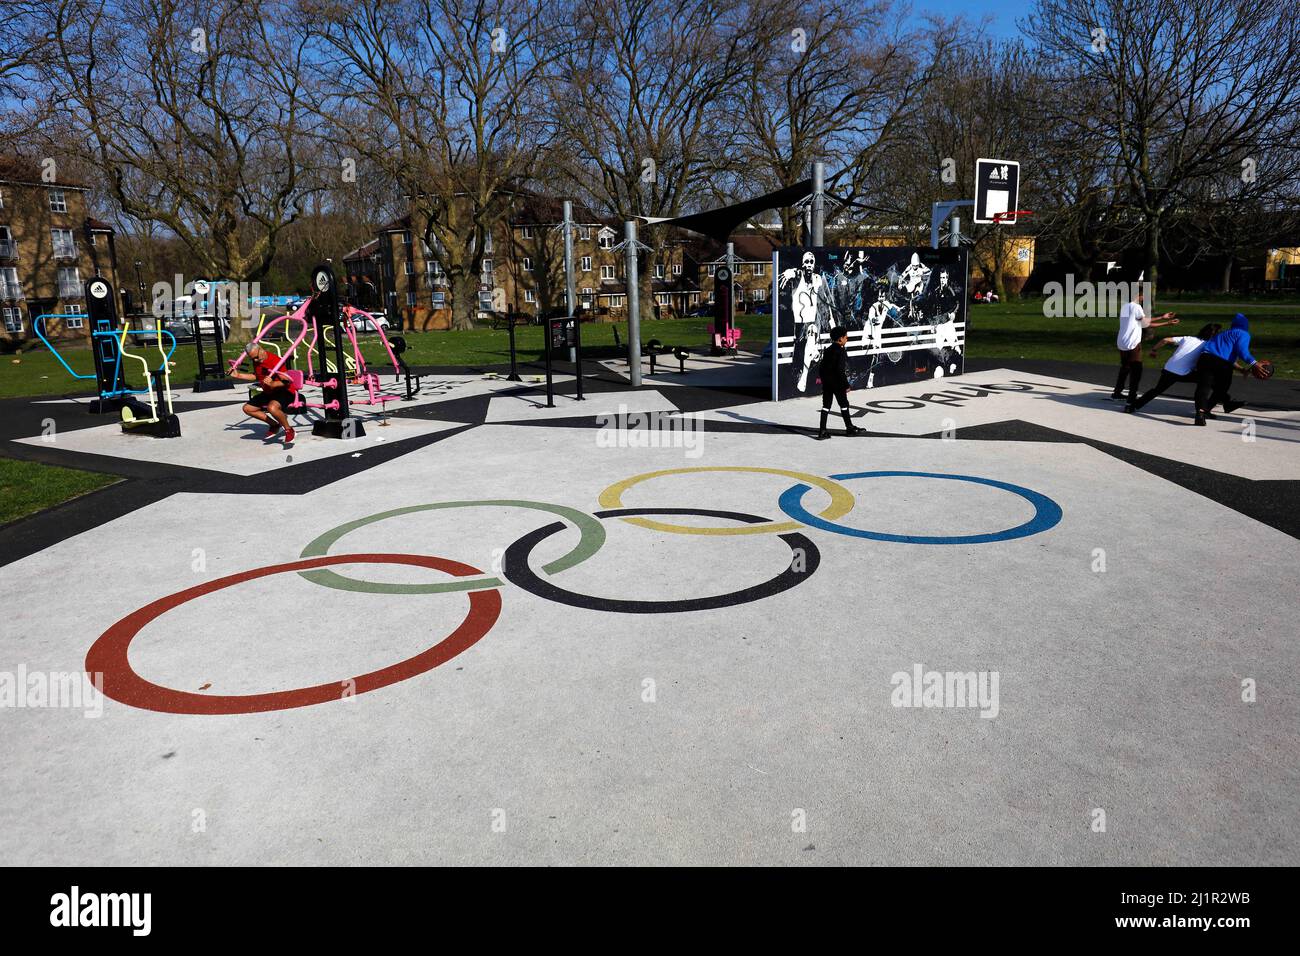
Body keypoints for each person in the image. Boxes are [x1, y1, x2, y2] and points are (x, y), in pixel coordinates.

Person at [1112, 286, 1178, 411]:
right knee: (1136, 370)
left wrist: (1164, 320)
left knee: (1125, 367)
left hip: (1121, 341)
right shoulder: (1136, 307)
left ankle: (1117, 393)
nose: (1144, 298)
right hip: (1132, 343)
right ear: (1139, 295)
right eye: (1143, 296)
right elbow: (1146, 322)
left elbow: (1143, 322)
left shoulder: (1125, 306)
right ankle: (1131, 399)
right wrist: (1165, 320)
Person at [1192, 313, 1262, 426]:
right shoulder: (1243, 334)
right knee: (1222, 388)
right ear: (1246, 325)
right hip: (1222, 364)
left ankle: (1200, 413)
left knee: (1204, 387)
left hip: (1204, 359)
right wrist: (1254, 363)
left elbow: (1221, 353)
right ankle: (1208, 410)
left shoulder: (1223, 334)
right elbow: (1242, 351)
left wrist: (1241, 369)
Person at [778, 251, 834, 392]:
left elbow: (825, 301)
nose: (809, 265)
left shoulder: (817, 279)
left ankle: (804, 377)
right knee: (800, 352)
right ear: (803, 264)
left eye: (811, 262)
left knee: (812, 334)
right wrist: (790, 272)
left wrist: (831, 319)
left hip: (813, 321)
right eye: (807, 262)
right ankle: (812, 355)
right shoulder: (799, 276)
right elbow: (793, 273)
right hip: (799, 323)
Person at [1132, 323, 1220, 412]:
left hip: (1168, 369)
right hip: (1183, 373)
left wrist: (1154, 350)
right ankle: (1205, 408)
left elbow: (1165, 340)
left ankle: (1133, 406)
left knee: (1157, 390)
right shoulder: (1208, 345)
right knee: (1208, 381)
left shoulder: (1187, 338)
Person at [232, 343, 297, 443]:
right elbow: (257, 376)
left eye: (256, 357)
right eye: (252, 359)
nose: (255, 360)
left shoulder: (275, 361)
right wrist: (239, 375)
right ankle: (274, 425)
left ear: (261, 349)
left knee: (272, 407)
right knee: (247, 408)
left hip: (285, 391)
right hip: (269, 392)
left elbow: (287, 381)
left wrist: (273, 384)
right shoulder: (257, 360)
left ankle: (289, 430)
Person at [816, 326, 862, 440]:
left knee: (826, 406)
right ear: (840, 339)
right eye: (846, 337)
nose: (847, 339)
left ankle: (822, 430)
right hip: (837, 383)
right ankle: (849, 428)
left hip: (827, 383)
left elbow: (822, 368)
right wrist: (846, 385)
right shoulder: (840, 351)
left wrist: (824, 381)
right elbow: (840, 370)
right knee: (844, 405)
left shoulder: (828, 350)